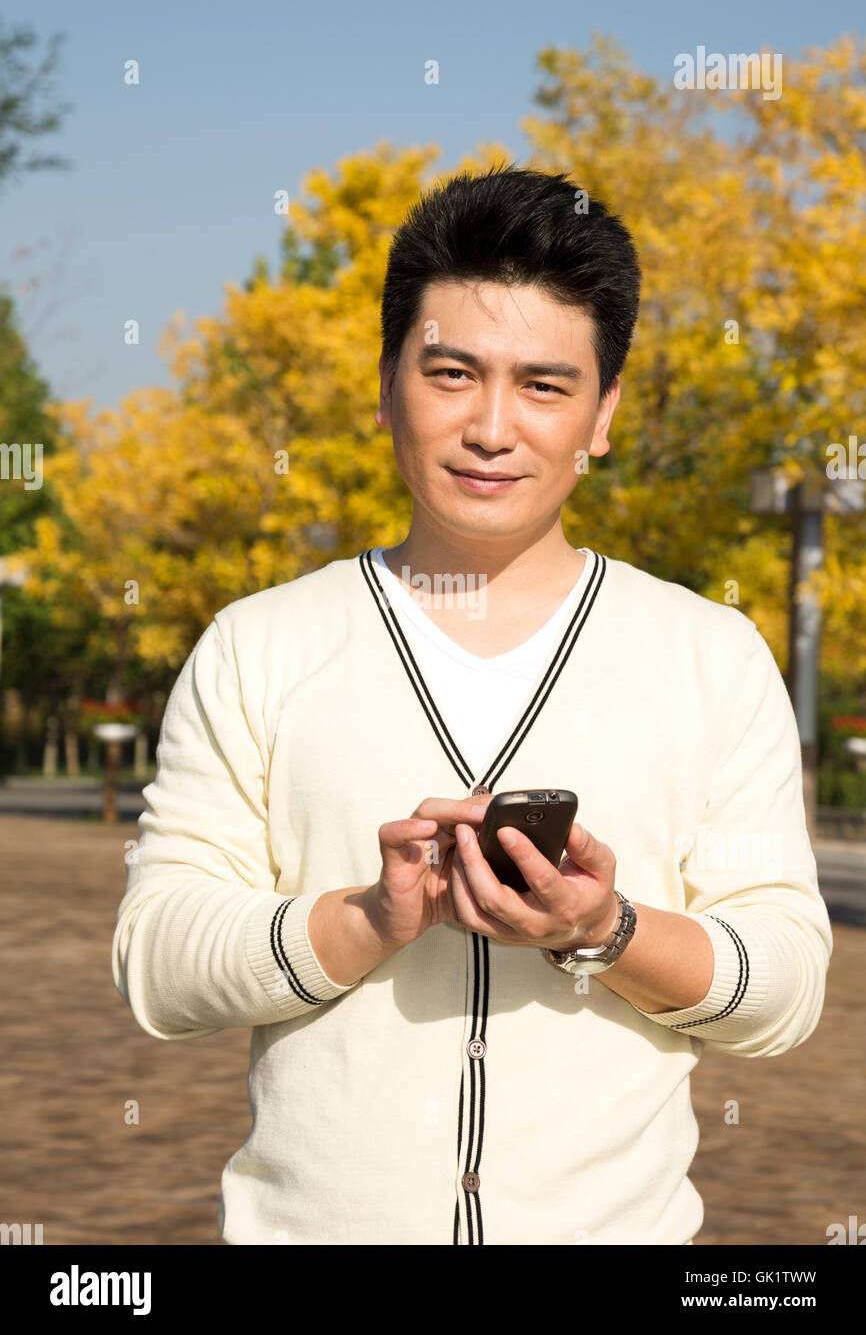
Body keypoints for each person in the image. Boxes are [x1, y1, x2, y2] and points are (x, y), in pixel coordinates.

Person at [112, 164, 832, 1246]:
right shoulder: (259, 646)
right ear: (386, 382)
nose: (492, 427)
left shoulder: (709, 656)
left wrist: (606, 928)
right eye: (452, 372)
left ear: (602, 415)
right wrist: (368, 921)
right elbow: (158, 964)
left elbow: (781, 986)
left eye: (544, 386)